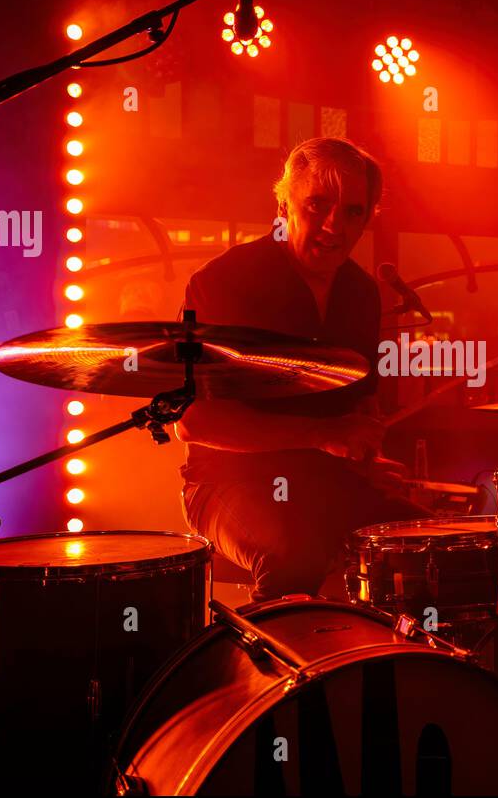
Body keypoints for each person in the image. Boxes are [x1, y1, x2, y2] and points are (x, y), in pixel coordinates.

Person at [174, 137, 427, 601]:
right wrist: (320, 435)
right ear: (283, 202)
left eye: (354, 212)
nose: (335, 225)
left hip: (326, 479)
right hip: (227, 481)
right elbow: (194, 423)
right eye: (317, 204)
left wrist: (366, 457)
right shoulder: (222, 282)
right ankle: (269, 673)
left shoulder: (361, 293)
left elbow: (360, 402)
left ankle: (387, 667)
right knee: (294, 550)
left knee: (424, 545)